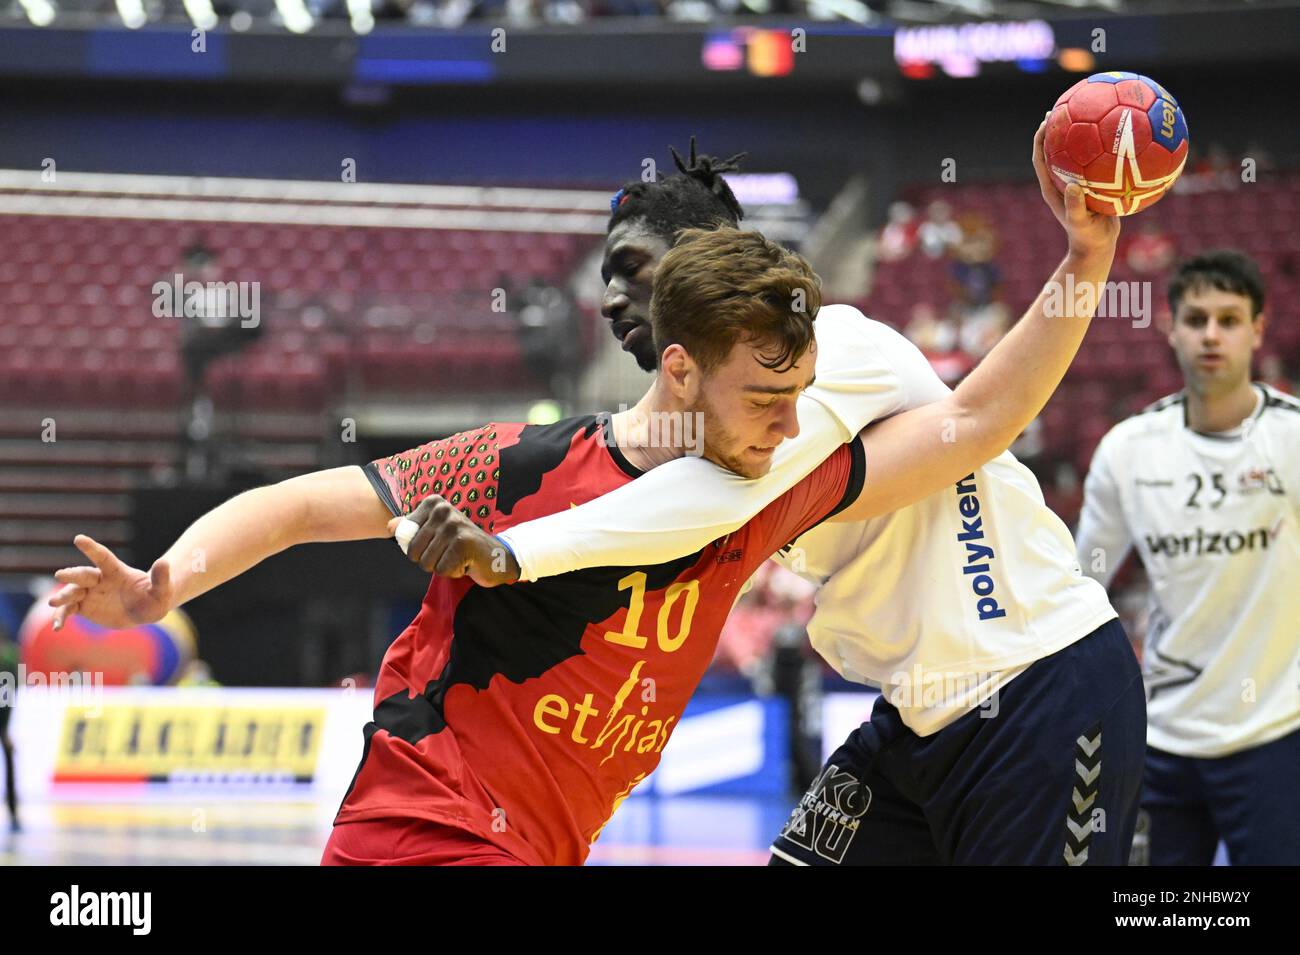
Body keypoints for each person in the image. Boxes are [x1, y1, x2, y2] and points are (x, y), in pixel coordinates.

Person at [413, 125, 1146, 865]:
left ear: (708, 261)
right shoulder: (710, 411)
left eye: (635, 268)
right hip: (916, 715)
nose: (610, 298)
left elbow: (724, 498)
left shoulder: (815, 353)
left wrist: (515, 552)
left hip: (1038, 684)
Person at [1075, 250, 1300, 865]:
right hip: (1163, 737)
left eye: (1229, 319)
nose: (1211, 334)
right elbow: (1080, 584)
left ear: (1258, 329)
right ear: (1170, 328)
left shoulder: (1293, 439)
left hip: (1275, 732)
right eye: (1196, 318)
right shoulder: (1129, 450)